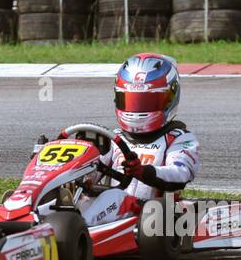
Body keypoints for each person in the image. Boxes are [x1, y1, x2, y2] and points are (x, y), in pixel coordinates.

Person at [76, 53, 200, 227]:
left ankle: (76, 232)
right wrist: (79, 172)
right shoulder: (113, 138)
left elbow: (180, 174)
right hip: (111, 212)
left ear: (169, 98)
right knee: (64, 202)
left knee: (114, 197)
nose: (137, 110)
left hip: (152, 217)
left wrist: (144, 172)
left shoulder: (179, 138)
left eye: (147, 101)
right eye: (131, 101)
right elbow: (92, 173)